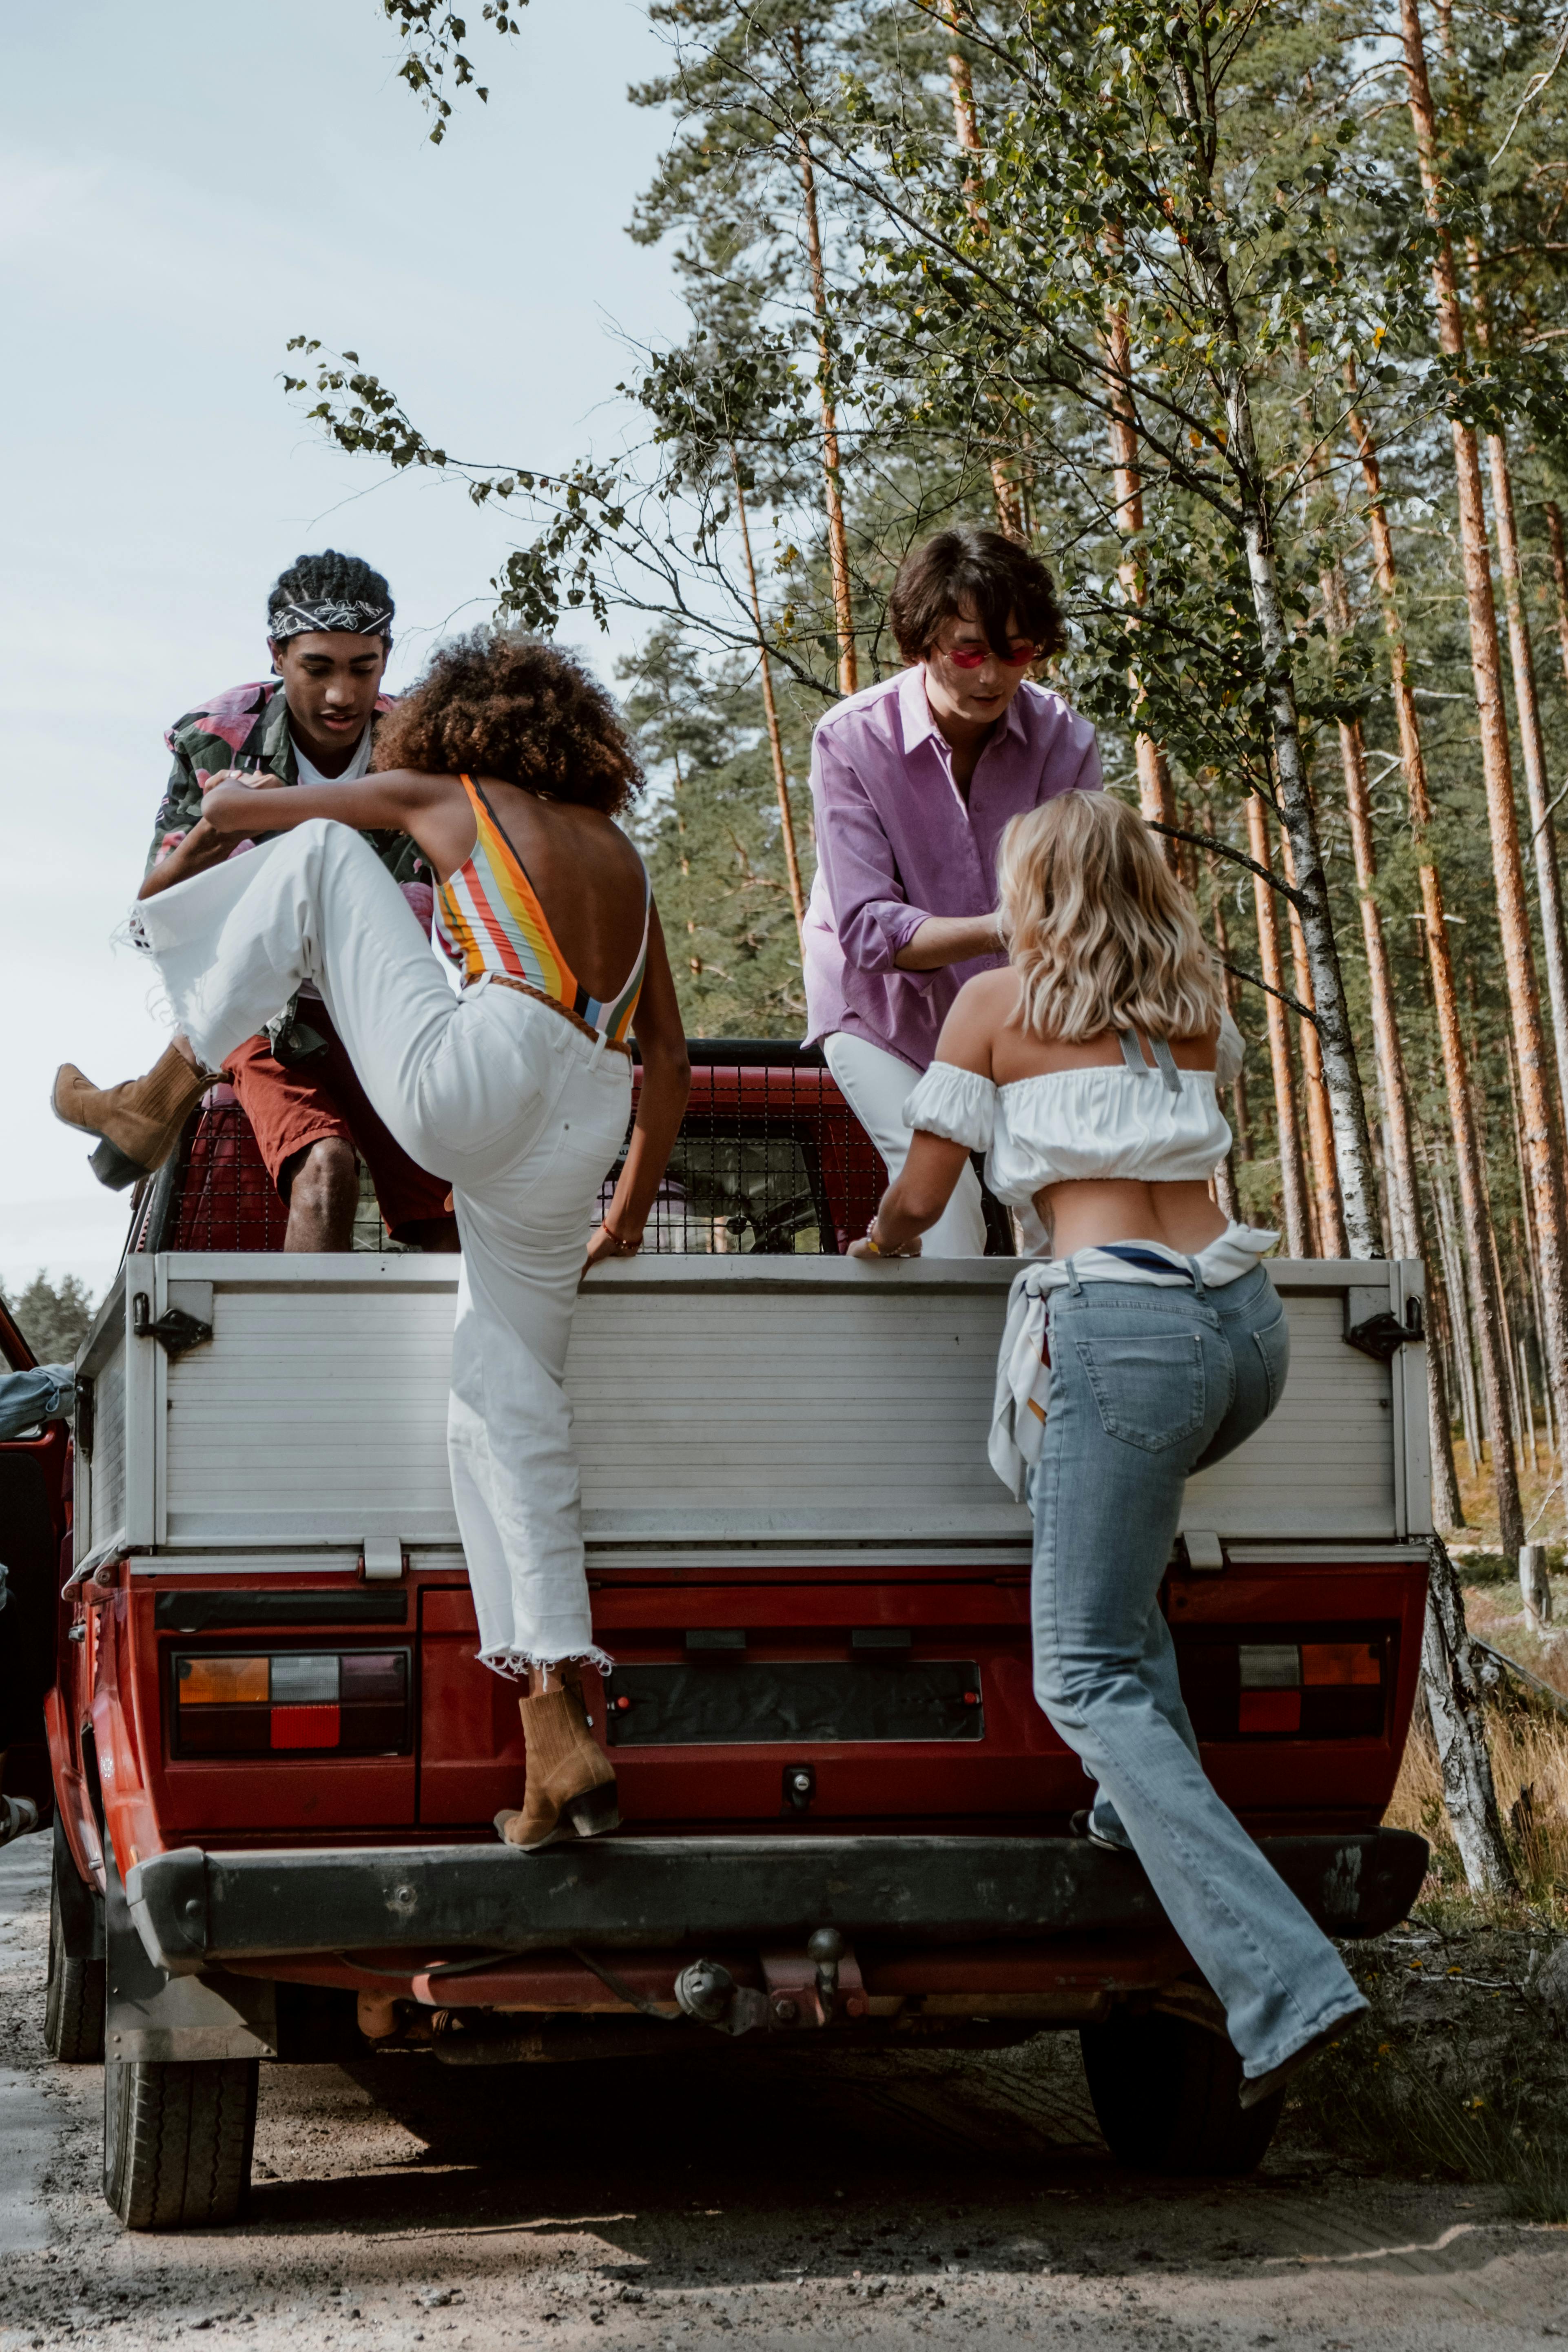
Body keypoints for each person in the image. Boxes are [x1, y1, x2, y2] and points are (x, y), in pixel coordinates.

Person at [53, 632, 692, 1852]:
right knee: (506, 1403)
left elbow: (267, 810)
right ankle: (557, 1718)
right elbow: (667, 1066)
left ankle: (158, 1091)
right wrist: (622, 1209)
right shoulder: (625, 861)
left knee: (320, 861)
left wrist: (230, 799)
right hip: (584, 1118)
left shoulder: (445, 796)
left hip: (485, 1070)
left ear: (454, 723)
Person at [849, 790, 1366, 2106]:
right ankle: (1128, 1820)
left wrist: (880, 1245)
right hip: (1240, 1329)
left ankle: (1285, 1984)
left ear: (1031, 890)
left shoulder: (992, 1003)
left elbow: (924, 1190)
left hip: (1122, 1329)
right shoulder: (1196, 1001)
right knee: (1118, 1601)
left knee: (1081, 1672)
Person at [103, 550, 457, 1251]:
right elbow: (151, 920)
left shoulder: (424, 748)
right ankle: (304, 1362)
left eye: (365, 666)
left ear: (387, 656)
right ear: (277, 654)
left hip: (380, 1007)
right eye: (318, 667)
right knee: (325, 1170)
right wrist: (222, 822)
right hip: (255, 1007)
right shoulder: (216, 737)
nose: (342, 695)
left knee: (454, 1211)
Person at [803, 525, 1102, 1254]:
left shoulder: (1067, 739)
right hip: (885, 1014)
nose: (993, 676)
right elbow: (870, 931)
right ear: (921, 642)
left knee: (1065, 1203)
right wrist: (1010, 926)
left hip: (1023, 1010)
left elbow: (1083, 907)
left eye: (1017, 651)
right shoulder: (850, 740)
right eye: (969, 651)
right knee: (946, 1219)